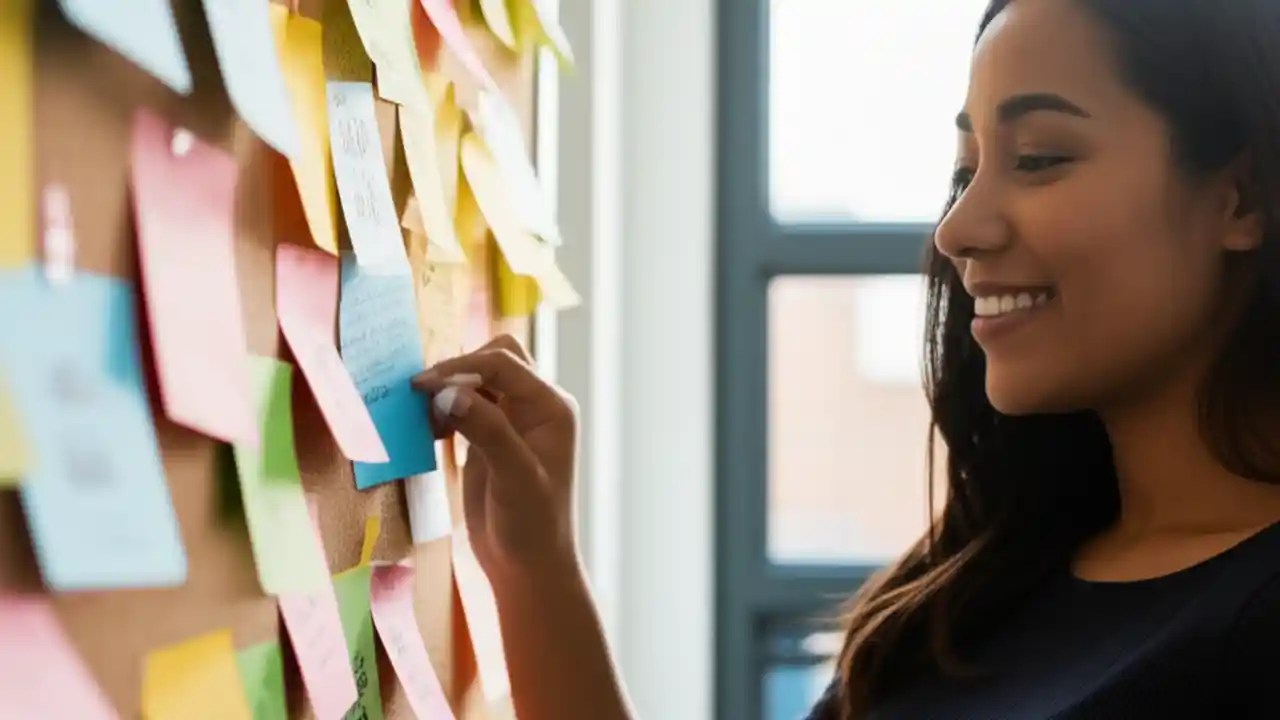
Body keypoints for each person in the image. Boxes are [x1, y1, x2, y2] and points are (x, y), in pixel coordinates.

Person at [412, 0, 1280, 717]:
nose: (957, 229)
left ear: (1238, 196)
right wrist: (534, 566)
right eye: (965, 169)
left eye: (1040, 158)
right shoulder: (985, 582)